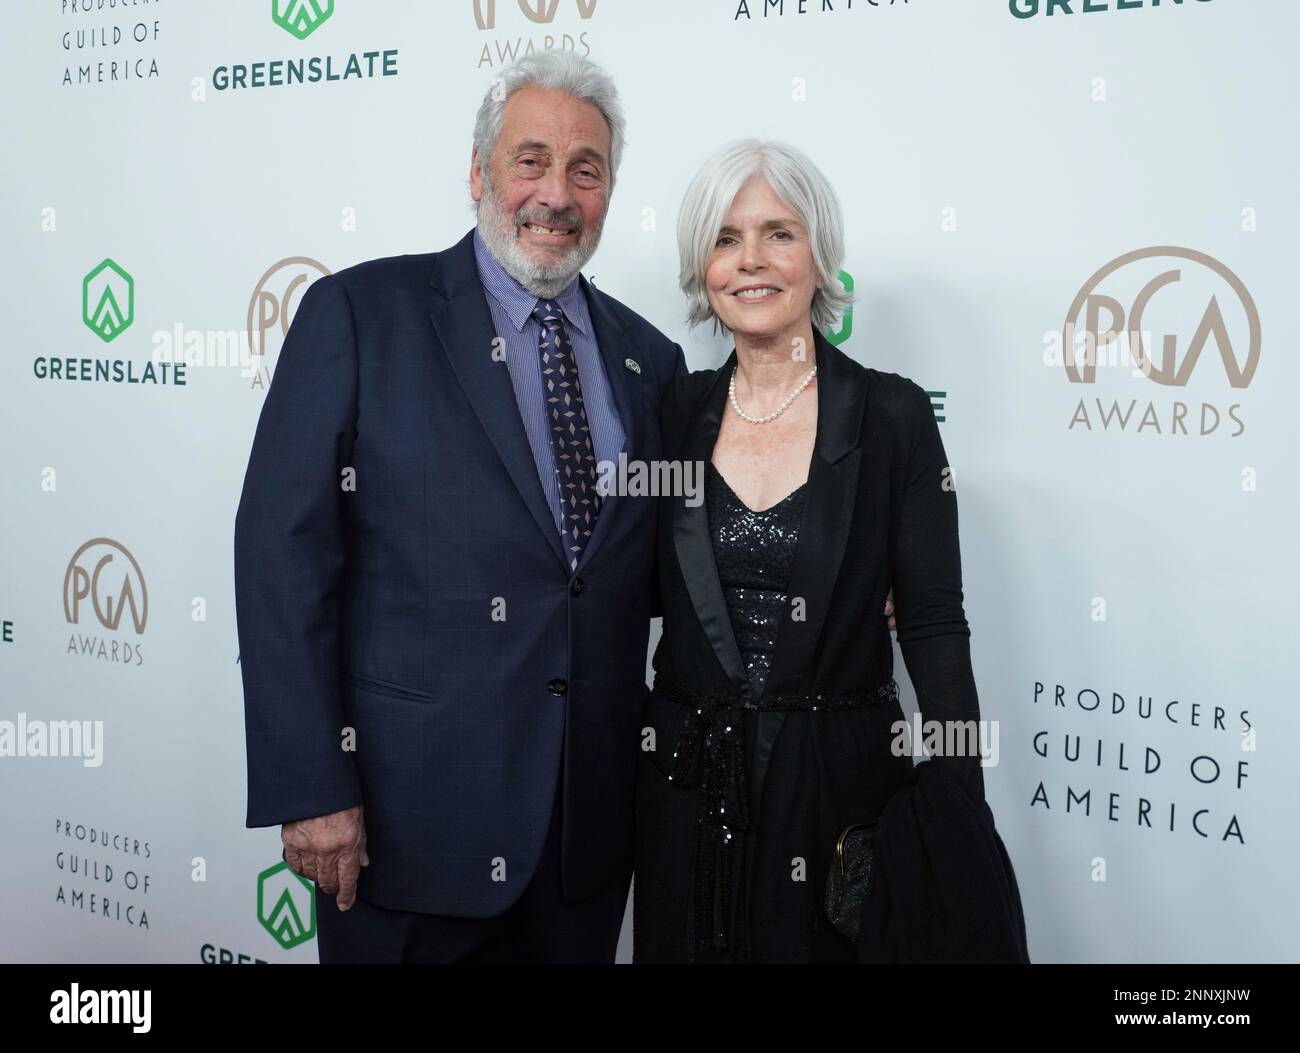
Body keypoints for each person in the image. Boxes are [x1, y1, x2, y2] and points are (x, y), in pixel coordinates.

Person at [234, 50, 686, 963]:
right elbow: (282, 554)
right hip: (405, 836)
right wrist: (312, 782)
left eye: (585, 170)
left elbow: (664, 578)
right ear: (478, 172)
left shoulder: (651, 363)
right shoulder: (361, 315)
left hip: (583, 852)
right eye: (531, 160)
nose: (556, 194)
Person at [633, 140, 1029, 963]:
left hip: (839, 790)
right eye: (725, 238)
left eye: (779, 233)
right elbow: (621, 584)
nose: (751, 261)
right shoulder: (670, 412)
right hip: (684, 789)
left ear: (820, 255)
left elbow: (931, 623)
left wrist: (957, 809)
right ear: (700, 264)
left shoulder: (892, 416)